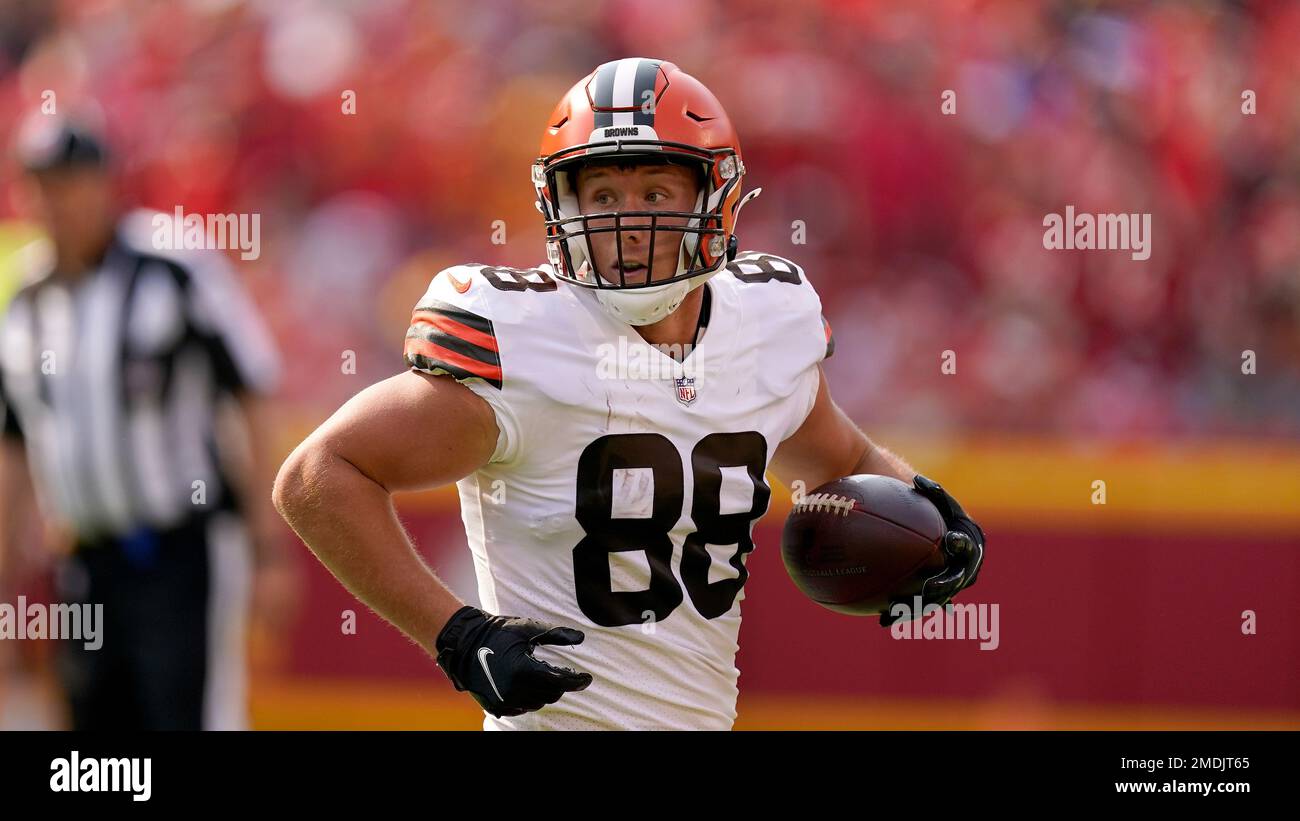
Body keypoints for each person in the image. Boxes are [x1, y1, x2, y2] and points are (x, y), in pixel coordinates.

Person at [274, 58, 984, 730]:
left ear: (714, 199)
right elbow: (317, 475)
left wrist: (928, 515)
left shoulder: (767, 323)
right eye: (604, 194)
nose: (628, 223)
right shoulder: (523, 337)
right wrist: (457, 634)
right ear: (562, 205)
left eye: (655, 192)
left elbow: (837, 456)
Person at [0, 116, 292, 730]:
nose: (58, 201)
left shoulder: (171, 267)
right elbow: (14, 452)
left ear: (106, 184)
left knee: (191, 718)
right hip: (82, 564)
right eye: (44, 185)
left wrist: (270, 550)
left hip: (180, 550)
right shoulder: (24, 304)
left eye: (72, 183)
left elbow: (252, 396)